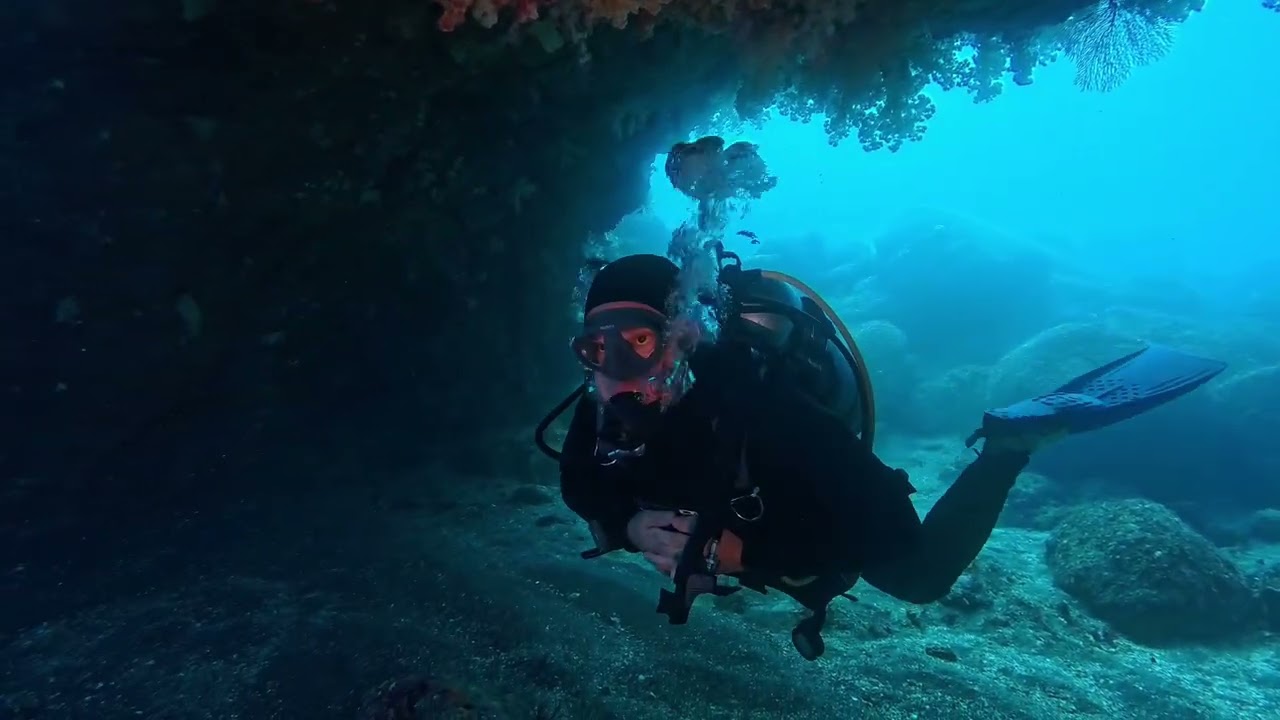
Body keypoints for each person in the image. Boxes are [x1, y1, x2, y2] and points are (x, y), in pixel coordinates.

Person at [540, 252, 1224, 659]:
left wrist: (755, 555)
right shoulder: (603, 406)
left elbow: (889, 533)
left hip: (798, 516)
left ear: (685, 337)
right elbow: (579, 483)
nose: (615, 370)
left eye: (638, 342)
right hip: (736, 526)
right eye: (594, 348)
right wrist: (631, 527)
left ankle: (1008, 445)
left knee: (917, 579)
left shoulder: (769, 409)